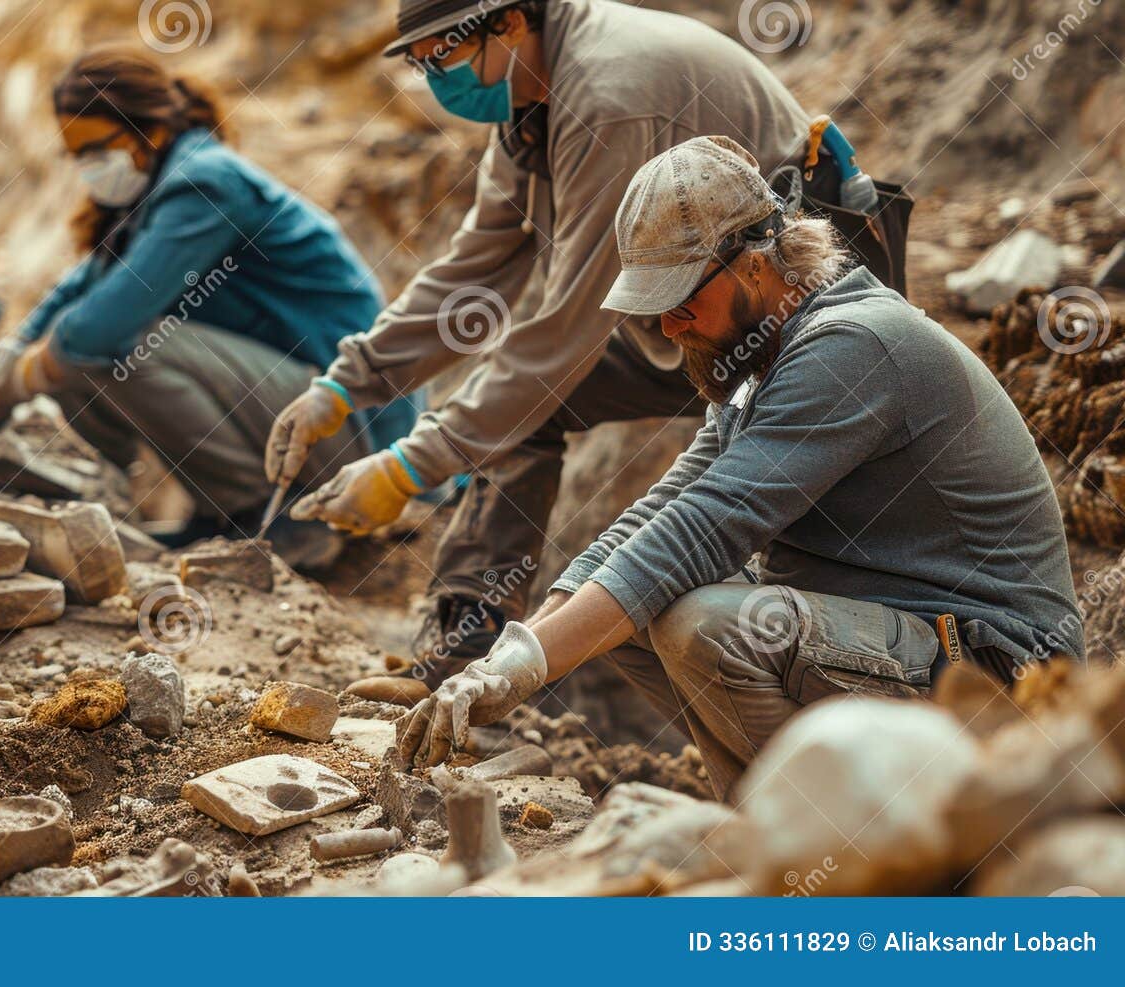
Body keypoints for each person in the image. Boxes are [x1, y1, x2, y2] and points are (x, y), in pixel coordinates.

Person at [394, 135, 1084, 799]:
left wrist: (524, 668)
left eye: (682, 299)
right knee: (628, 609)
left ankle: (832, 851)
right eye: (654, 310)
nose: (668, 328)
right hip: (911, 644)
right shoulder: (764, 357)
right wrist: (511, 655)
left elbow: (707, 527)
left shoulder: (854, 346)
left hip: (999, 676)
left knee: (705, 624)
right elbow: (658, 515)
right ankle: (775, 826)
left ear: (757, 259)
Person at [268, 0, 868, 694]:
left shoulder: (607, 99)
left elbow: (565, 330)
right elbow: (476, 269)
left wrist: (409, 468)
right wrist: (346, 384)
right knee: (516, 410)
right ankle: (464, 660)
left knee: (535, 403)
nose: (435, 77)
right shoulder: (530, 107)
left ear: (511, 23)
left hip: (790, 313)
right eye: (420, 61)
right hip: (699, 309)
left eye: (444, 55)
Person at [0, 47, 420, 567]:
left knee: (123, 343)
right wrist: (4, 367)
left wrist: (10, 389)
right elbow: (78, 291)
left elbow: (101, 326)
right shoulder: (152, 192)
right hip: (291, 406)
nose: (88, 168)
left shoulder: (205, 185)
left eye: (97, 149)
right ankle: (214, 513)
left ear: (150, 130)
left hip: (350, 425)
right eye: (77, 156)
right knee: (73, 350)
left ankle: (273, 519)